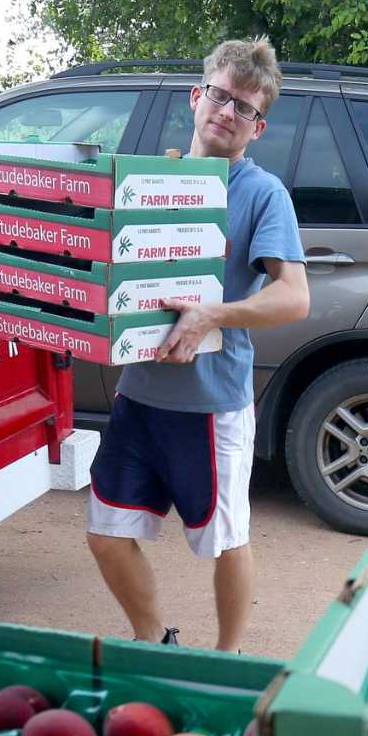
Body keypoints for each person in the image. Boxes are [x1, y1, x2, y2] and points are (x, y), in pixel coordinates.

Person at [85, 36, 309, 651]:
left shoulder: (262, 194)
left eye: (245, 108)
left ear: (258, 126)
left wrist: (215, 315)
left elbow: (295, 297)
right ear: (196, 96)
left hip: (212, 404)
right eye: (220, 95)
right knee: (106, 532)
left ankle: (228, 658)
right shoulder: (148, 180)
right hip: (139, 394)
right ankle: (156, 640)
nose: (228, 112)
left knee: (225, 541)